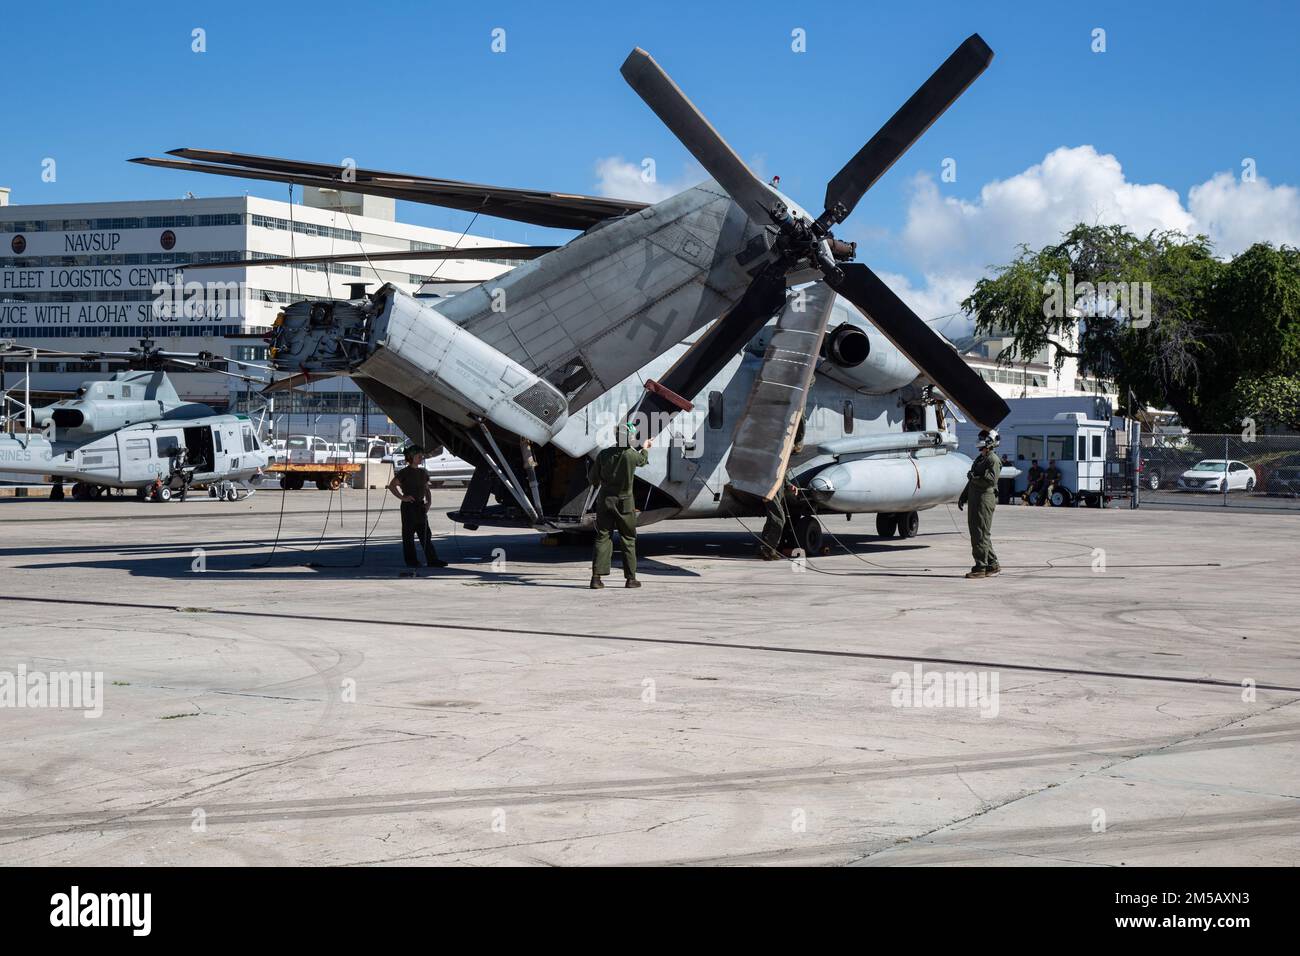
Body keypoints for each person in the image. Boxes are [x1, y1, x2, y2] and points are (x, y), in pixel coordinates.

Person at [588, 421, 651, 589]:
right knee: (628, 539)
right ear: (630, 438)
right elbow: (643, 460)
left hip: (605, 501)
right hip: (625, 503)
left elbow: (593, 479)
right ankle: (631, 579)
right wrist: (645, 447)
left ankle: (596, 578)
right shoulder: (631, 455)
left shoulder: (603, 454)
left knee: (603, 536)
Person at [387, 446, 448, 569]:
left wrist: (429, 502)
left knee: (425, 534)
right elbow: (392, 485)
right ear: (411, 457)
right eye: (418, 456)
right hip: (409, 507)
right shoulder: (405, 472)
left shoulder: (422, 472)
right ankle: (411, 561)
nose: (421, 458)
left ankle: (432, 560)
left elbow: (426, 488)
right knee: (408, 535)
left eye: (421, 455)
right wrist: (403, 497)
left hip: (420, 507)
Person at [958, 429, 1001, 578]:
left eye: (983, 438)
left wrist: (974, 477)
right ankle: (992, 564)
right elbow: (971, 480)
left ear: (990, 442)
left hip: (984, 499)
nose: (980, 440)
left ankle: (980, 567)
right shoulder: (980, 459)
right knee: (979, 533)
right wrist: (963, 496)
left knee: (980, 534)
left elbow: (990, 480)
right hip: (975, 498)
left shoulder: (993, 459)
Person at [760, 469, 801, 559]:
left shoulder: (782, 458)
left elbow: (783, 476)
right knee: (780, 519)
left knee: (772, 520)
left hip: (777, 492)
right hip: (768, 490)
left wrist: (790, 486)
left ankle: (764, 548)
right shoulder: (771, 457)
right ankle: (769, 549)